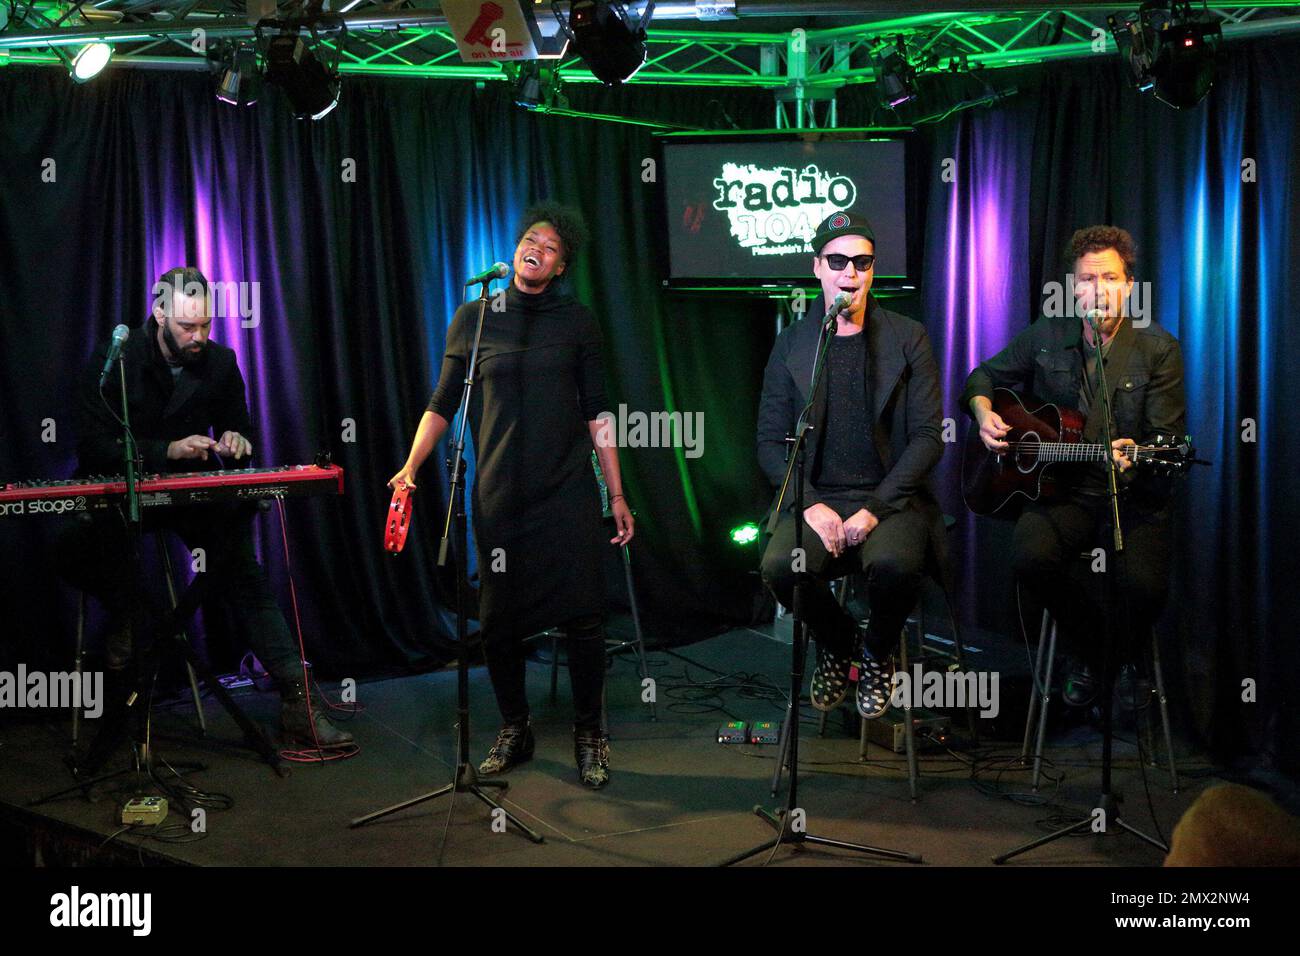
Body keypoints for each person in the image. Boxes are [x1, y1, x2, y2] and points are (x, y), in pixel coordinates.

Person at [390, 203, 633, 788]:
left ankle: (588, 733)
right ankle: (515, 726)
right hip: (499, 493)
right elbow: (443, 401)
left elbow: (598, 410)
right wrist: (409, 467)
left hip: (567, 491)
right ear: (516, 249)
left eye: (550, 247)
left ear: (560, 266)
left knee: (584, 618)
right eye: (531, 239)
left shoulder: (578, 322)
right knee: (496, 620)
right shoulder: (475, 316)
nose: (537, 249)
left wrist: (616, 494)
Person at [59, 266, 352, 748]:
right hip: (122, 496)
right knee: (91, 554)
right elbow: (93, 446)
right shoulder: (117, 356)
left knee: (242, 573)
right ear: (158, 314)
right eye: (186, 327)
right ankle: (118, 693)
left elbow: (243, 431)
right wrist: (167, 449)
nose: (198, 337)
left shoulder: (220, 361)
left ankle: (298, 703)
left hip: (190, 497)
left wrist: (239, 441)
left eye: (205, 326)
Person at [961, 225, 1187, 701]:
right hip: (1063, 492)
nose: (1098, 290)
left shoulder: (1158, 348)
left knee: (1144, 589)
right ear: (1073, 287)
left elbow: (1165, 440)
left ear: (1128, 285)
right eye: (1086, 280)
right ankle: (1098, 656)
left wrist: (1135, 460)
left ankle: (1100, 661)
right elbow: (983, 376)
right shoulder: (1048, 335)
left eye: (1108, 278)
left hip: (1131, 496)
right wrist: (984, 413)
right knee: (1029, 557)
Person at [757, 211, 945, 719]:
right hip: (818, 496)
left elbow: (929, 437)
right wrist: (812, 505)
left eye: (862, 262)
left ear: (872, 270)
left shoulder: (908, 336)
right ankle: (840, 644)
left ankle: (878, 652)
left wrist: (876, 509)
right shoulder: (794, 344)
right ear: (817, 267)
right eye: (838, 261)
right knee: (780, 567)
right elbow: (771, 443)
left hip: (889, 498)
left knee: (893, 565)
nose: (851, 273)